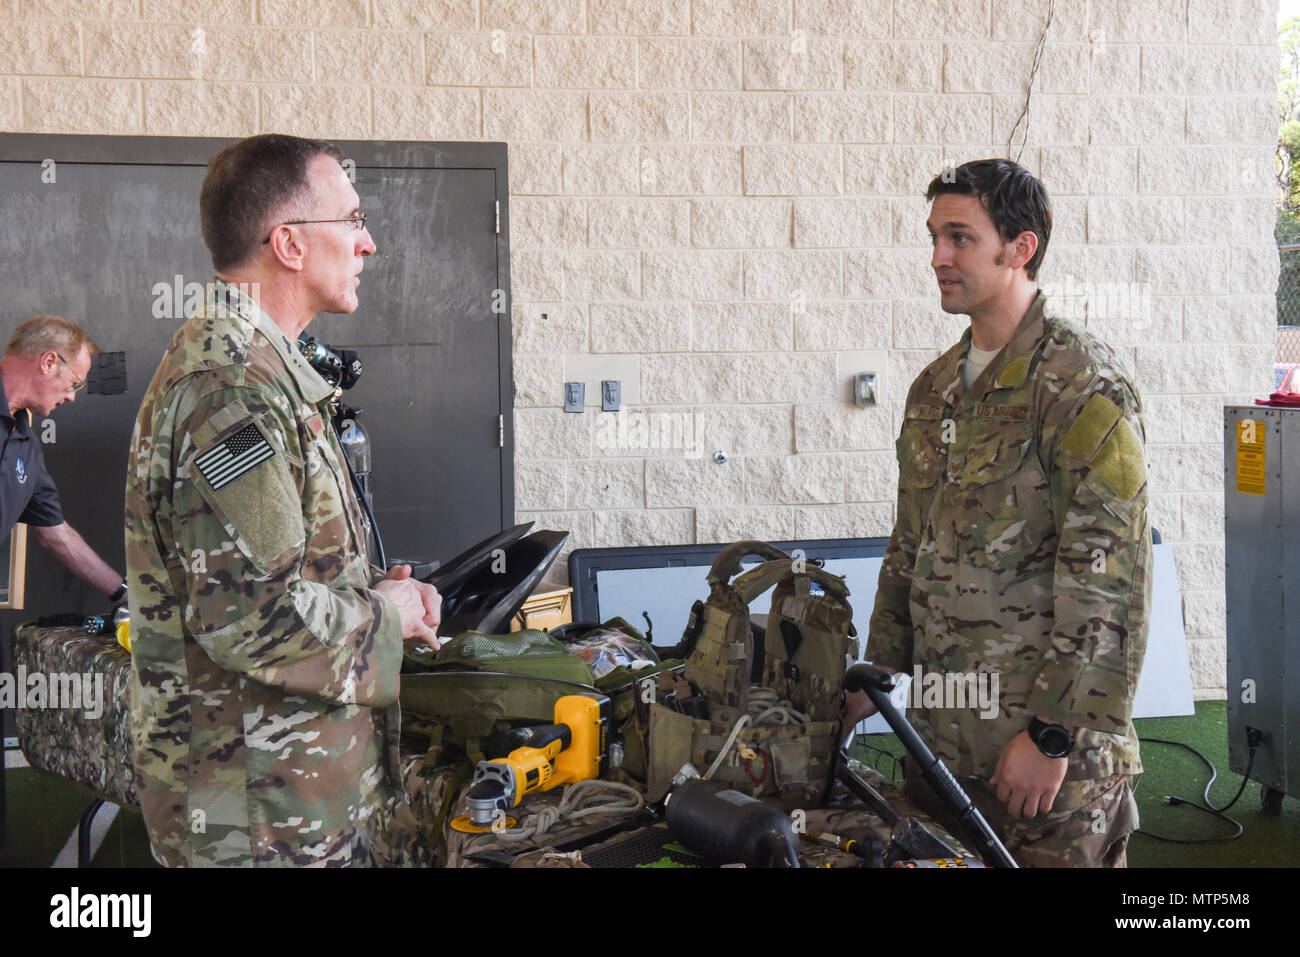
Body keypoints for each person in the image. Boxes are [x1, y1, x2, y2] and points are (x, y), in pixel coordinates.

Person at [125, 134, 442, 867]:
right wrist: (383, 618)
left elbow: (278, 576)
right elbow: (250, 614)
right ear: (290, 244)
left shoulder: (262, 369)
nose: (369, 242)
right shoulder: (230, 388)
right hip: (254, 821)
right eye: (353, 218)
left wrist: (365, 592)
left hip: (288, 800)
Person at [845, 159, 1151, 867]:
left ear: (1021, 248)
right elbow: (909, 544)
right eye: (933, 237)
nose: (937, 258)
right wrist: (879, 673)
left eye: (959, 237)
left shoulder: (1080, 386)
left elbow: (1111, 582)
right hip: (942, 746)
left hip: (1049, 768)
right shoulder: (934, 389)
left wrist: (1051, 738)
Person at [0, 316, 125, 602]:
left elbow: (58, 536)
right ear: (48, 362)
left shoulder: (26, 446)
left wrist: (123, 595)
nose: (71, 397)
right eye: (74, 384)